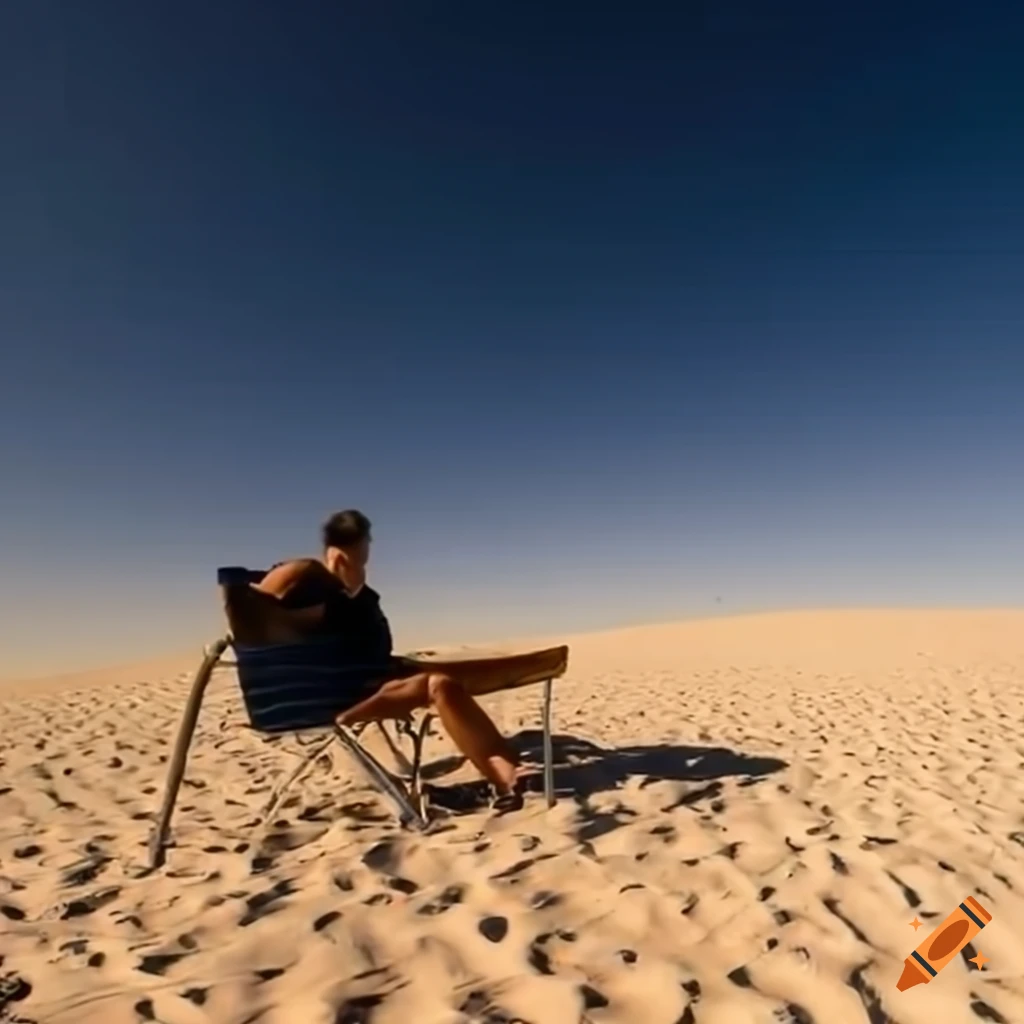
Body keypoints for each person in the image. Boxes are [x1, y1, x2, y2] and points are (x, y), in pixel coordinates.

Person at [255, 510, 523, 810]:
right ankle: (506, 778)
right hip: (340, 699)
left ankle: (507, 767)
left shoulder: (358, 596)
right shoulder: (305, 578)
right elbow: (259, 607)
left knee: (449, 675)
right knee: (441, 685)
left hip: (367, 683)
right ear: (361, 545)